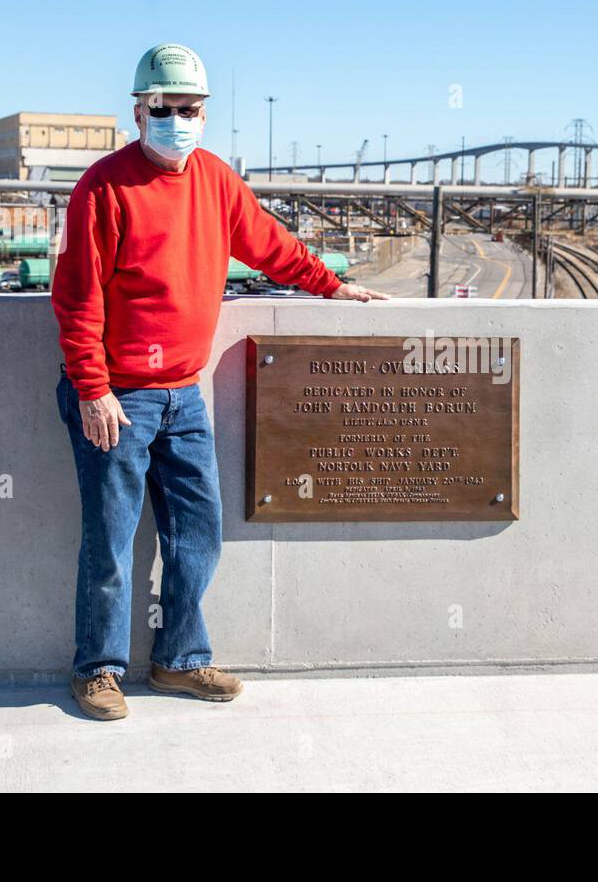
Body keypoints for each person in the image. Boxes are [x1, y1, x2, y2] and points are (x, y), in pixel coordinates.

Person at [52, 43, 388, 720]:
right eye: (164, 108)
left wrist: (331, 285)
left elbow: (268, 242)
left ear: (205, 114)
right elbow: (77, 297)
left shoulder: (214, 180)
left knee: (198, 533)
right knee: (112, 542)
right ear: (140, 111)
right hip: (119, 395)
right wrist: (92, 389)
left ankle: (179, 661)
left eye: (190, 109)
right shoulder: (105, 186)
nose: (177, 119)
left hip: (183, 394)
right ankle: (97, 670)